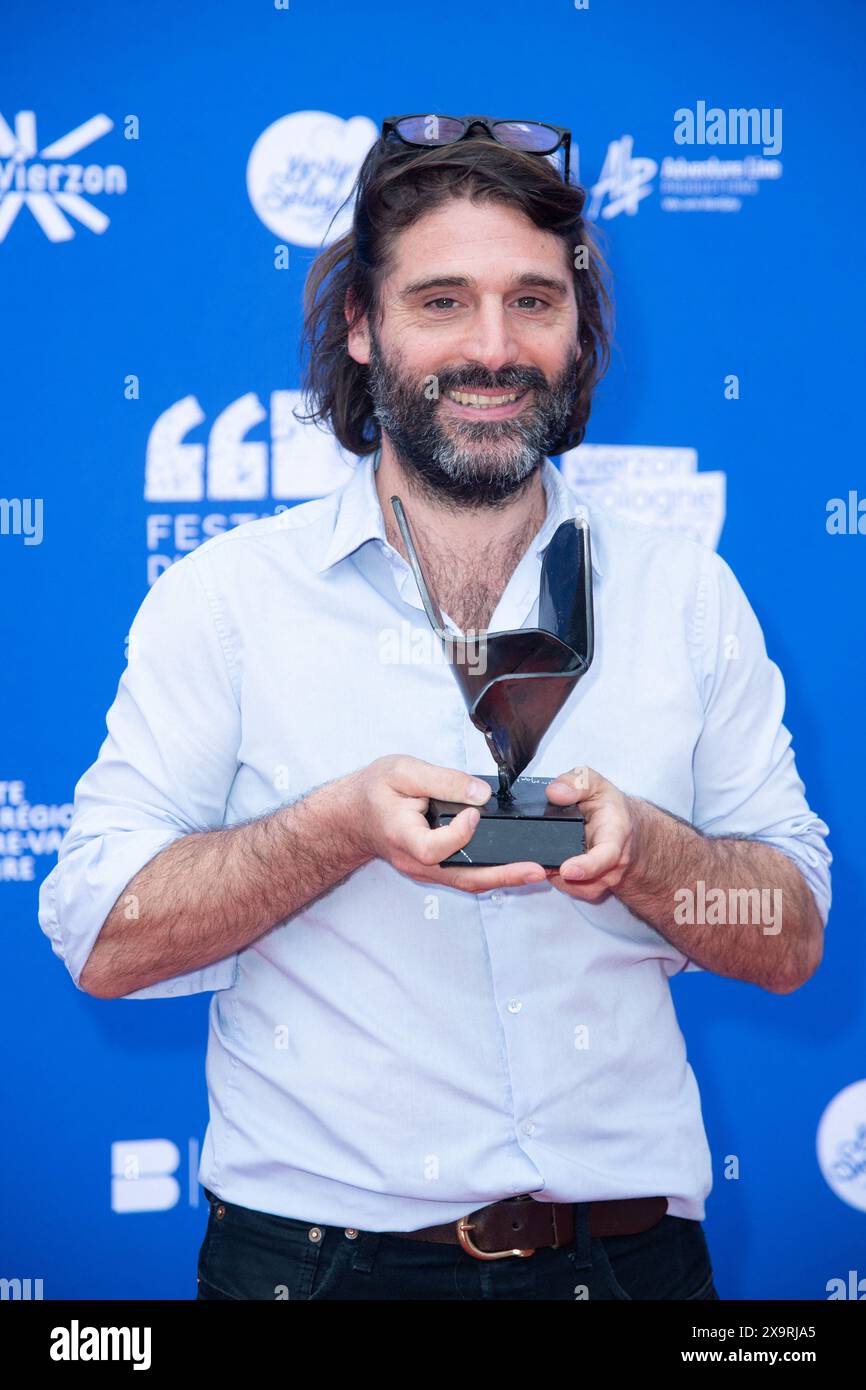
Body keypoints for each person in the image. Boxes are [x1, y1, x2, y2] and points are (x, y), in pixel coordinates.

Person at [38, 114, 831, 1301]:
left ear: (579, 328)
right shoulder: (227, 599)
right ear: (360, 325)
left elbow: (791, 938)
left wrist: (648, 854)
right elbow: (99, 935)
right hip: (311, 1270)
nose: (494, 347)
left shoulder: (682, 592)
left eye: (533, 301)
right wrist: (339, 828)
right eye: (442, 302)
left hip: (627, 1267)